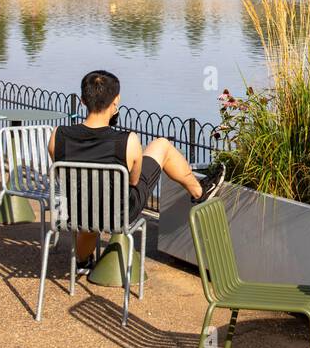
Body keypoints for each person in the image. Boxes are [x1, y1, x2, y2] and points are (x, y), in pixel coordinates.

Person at [50, 69, 224, 269]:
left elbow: (61, 175)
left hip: (74, 210)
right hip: (118, 212)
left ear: (82, 100)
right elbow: (133, 181)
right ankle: (199, 191)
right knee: (162, 145)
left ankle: (82, 261)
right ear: (116, 101)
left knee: (89, 211)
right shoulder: (127, 141)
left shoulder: (58, 135)